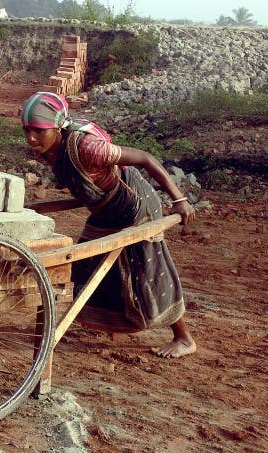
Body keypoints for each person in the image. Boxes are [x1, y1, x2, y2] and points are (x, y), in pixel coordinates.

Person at [20, 91, 196, 358]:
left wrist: (180, 199)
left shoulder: (88, 148)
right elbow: (87, 190)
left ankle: (184, 337)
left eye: (39, 131)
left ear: (56, 128)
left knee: (146, 270)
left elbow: (146, 158)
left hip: (135, 206)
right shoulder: (50, 151)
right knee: (85, 266)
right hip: (105, 211)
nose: (32, 138)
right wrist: (36, 208)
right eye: (27, 130)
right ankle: (100, 322)